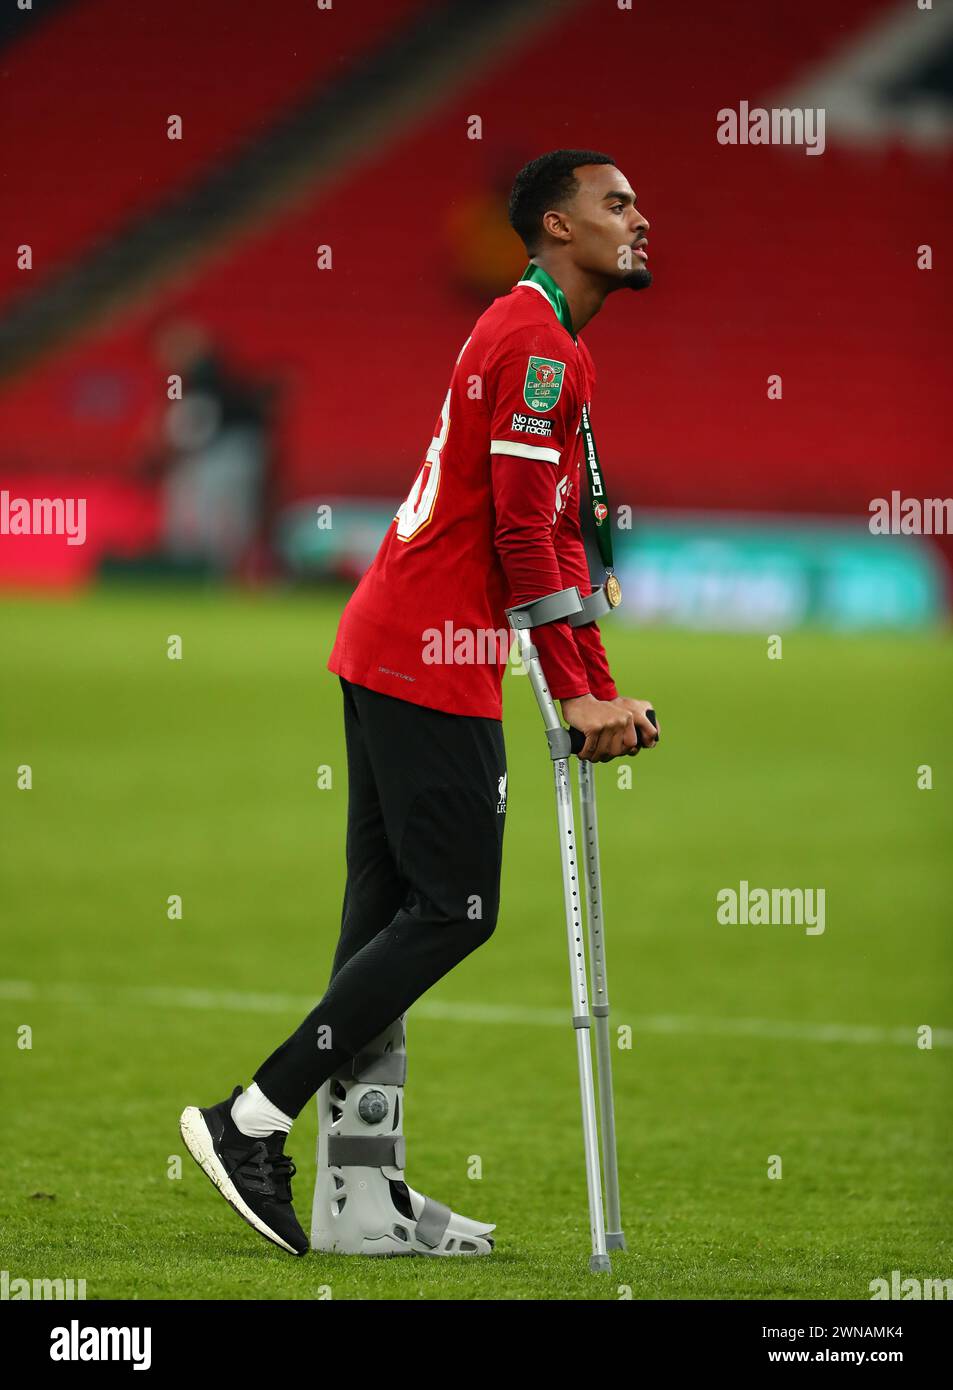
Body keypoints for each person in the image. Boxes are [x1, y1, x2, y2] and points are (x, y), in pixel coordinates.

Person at [180, 150, 660, 1258]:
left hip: (399, 640)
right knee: (455, 910)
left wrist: (592, 689)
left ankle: (360, 1194)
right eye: (616, 203)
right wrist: (578, 697)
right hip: (425, 657)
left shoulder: (541, 335)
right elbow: (518, 535)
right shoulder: (537, 343)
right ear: (556, 225)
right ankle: (247, 1119)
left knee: (384, 919)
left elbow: (556, 538)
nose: (640, 220)